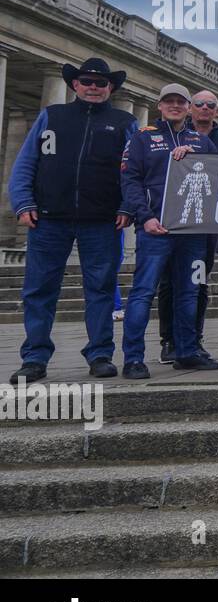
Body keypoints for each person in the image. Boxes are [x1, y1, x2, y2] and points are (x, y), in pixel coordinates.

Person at [8, 58, 138, 385]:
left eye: (101, 82)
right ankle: (34, 358)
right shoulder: (51, 117)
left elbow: (133, 171)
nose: (94, 87)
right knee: (39, 290)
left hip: (102, 220)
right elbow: (26, 163)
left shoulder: (125, 123)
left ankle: (99, 354)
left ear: (111, 88)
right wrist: (23, 202)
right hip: (48, 219)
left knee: (101, 289)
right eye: (87, 81)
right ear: (74, 85)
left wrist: (127, 206)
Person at [119, 84, 218, 380]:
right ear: (160, 105)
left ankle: (186, 351)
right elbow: (130, 181)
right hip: (156, 229)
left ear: (188, 107)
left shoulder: (199, 140)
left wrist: (196, 157)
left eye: (181, 102)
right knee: (143, 292)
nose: (175, 106)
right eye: (169, 101)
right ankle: (134, 358)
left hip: (192, 231)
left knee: (189, 292)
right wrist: (145, 217)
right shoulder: (143, 138)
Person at [156, 89, 218, 363]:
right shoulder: (171, 137)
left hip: (207, 226)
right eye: (199, 104)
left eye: (211, 104)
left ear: (217, 110)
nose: (205, 108)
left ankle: (193, 338)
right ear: (191, 108)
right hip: (172, 223)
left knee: (198, 283)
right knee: (168, 283)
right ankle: (169, 340)